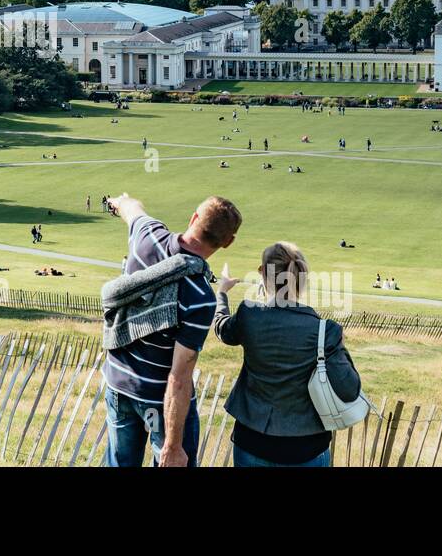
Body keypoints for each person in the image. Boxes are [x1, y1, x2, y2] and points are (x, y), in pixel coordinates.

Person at [103, 192, 242, 467]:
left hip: (119, 382)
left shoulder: (148, 236)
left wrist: (119, 202)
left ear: (193, 218)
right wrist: (173, 446)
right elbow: (179, 377)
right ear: (228, 243)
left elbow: (131, 207)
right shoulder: (200, 297)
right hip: (158, 399)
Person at [214, 242, 362, 467]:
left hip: (253, 442)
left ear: (263, 273)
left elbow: (222, 328)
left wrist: (222, 293)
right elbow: (349, 390)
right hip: (307, 449)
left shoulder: (249, 316)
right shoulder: (324, 331)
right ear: (302, 277)